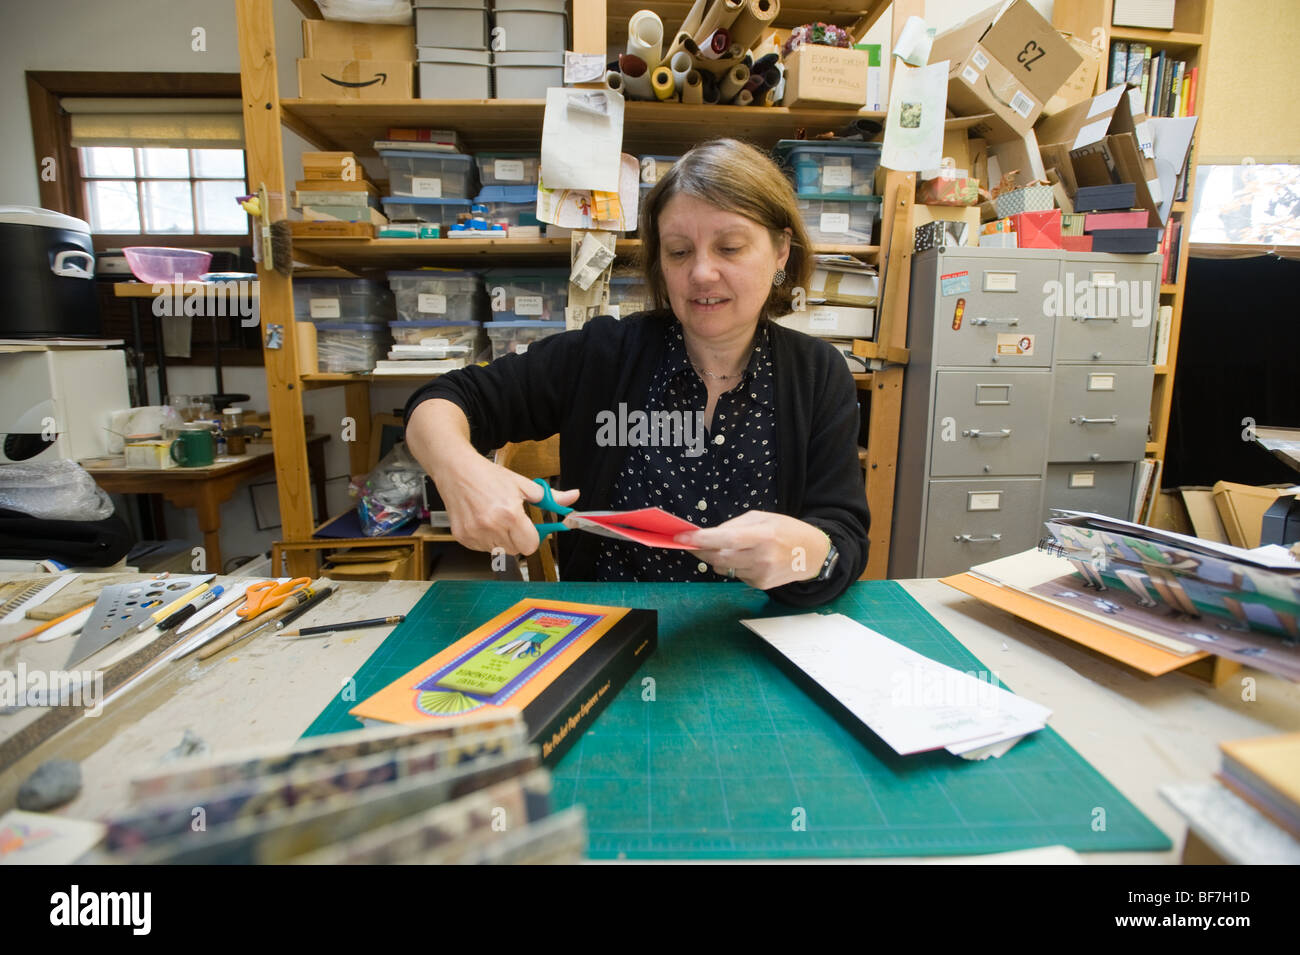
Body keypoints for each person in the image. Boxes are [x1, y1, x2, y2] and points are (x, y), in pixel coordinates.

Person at [404, 138, 870, 607]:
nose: (702, 273)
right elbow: (444, 398)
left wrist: (810, 552)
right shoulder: (604, 355)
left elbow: (844, 536)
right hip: (611, 631)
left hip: (760, 638)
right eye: (679, 252)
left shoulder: (818, 374)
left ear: (781, 251)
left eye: (730, 247)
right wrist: (458, 468)